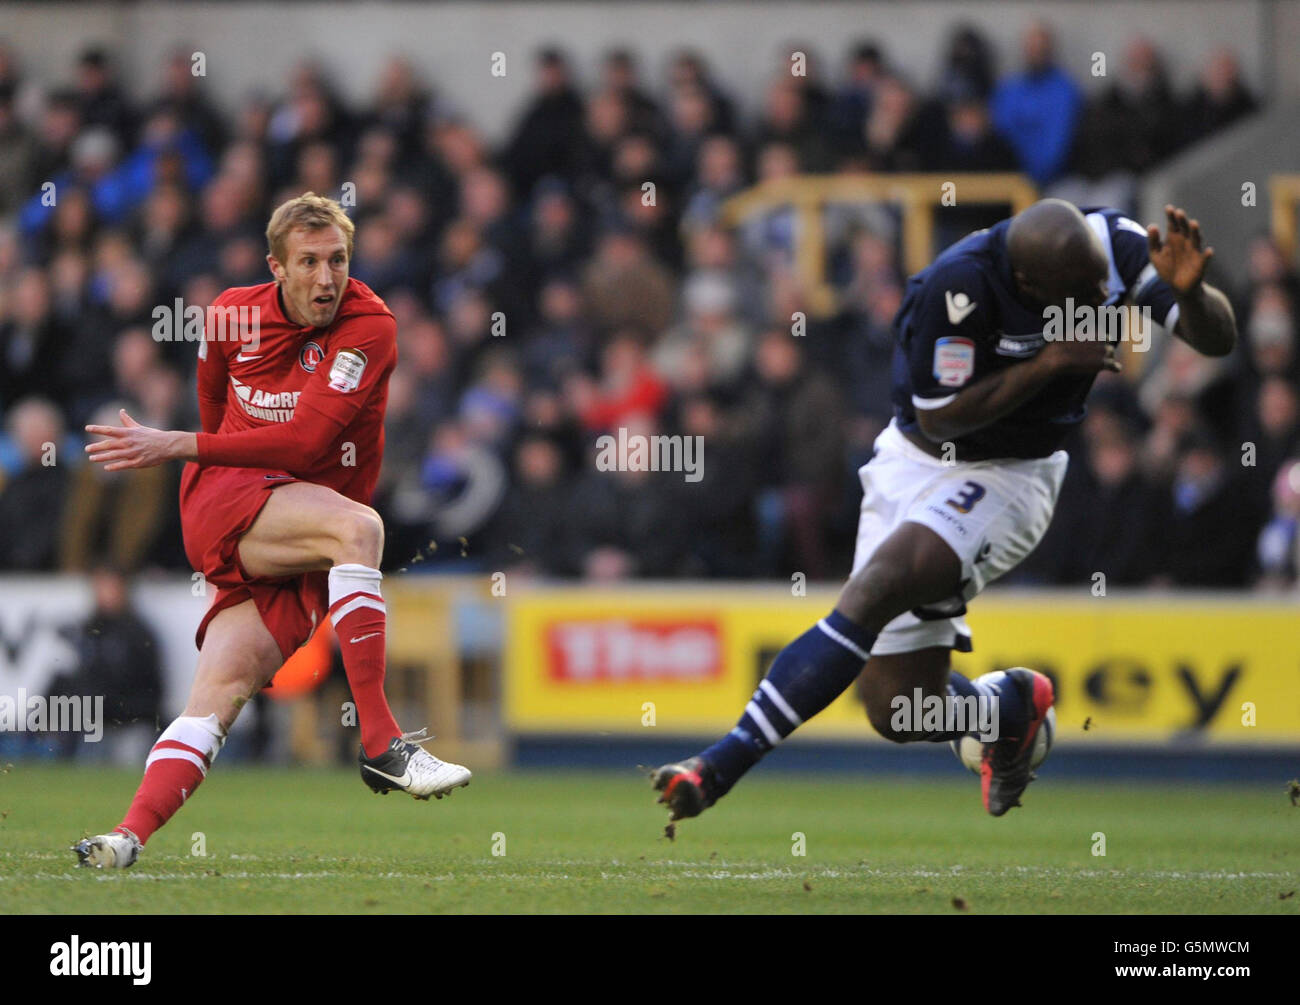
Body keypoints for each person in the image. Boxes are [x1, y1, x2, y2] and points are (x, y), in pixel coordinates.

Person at [653, 200, 1235, 823]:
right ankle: (1004, 711)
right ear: (1030, 285)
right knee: (899, 709)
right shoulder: (958, 285)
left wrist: (1192, 297)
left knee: (878, 586)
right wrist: (1049, 363)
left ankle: (717, 767)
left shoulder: (1112, 246)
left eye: (1099, 286)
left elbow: (1218, 339)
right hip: (917, 456)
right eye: (1077, 293)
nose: (1096, 299)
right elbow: (941, 414)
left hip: (1014, 472)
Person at [73, 193, 470, 870]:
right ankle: (381, 743)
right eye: (309, 261)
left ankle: (124, 837)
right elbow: (216, 410)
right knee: (363, 529)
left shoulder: (369, 325)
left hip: (301, 532)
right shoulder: (230, 314)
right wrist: (192, 450)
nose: (326, 277)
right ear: (275, 267)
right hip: (231, 498)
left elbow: (305, 440)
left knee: (218, 696)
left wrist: (180, 442)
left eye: (338, 259)